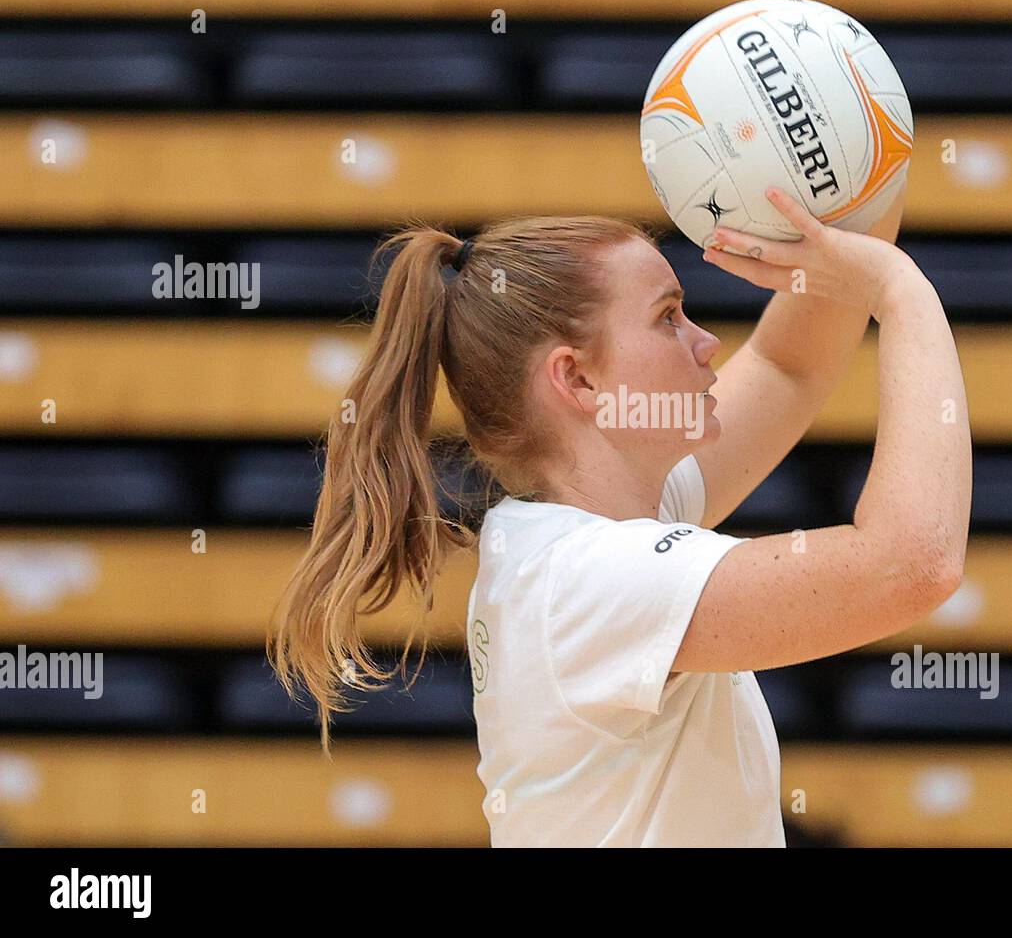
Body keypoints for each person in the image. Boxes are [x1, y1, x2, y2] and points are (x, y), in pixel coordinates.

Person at [268, 185, 972, 847]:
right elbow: (912, 560)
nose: (707, 343)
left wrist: (870, 166)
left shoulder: (590, 531)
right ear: (576, 378)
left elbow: (791, 363)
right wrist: (904, 293)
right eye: (668, 316)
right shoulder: (591, 579)